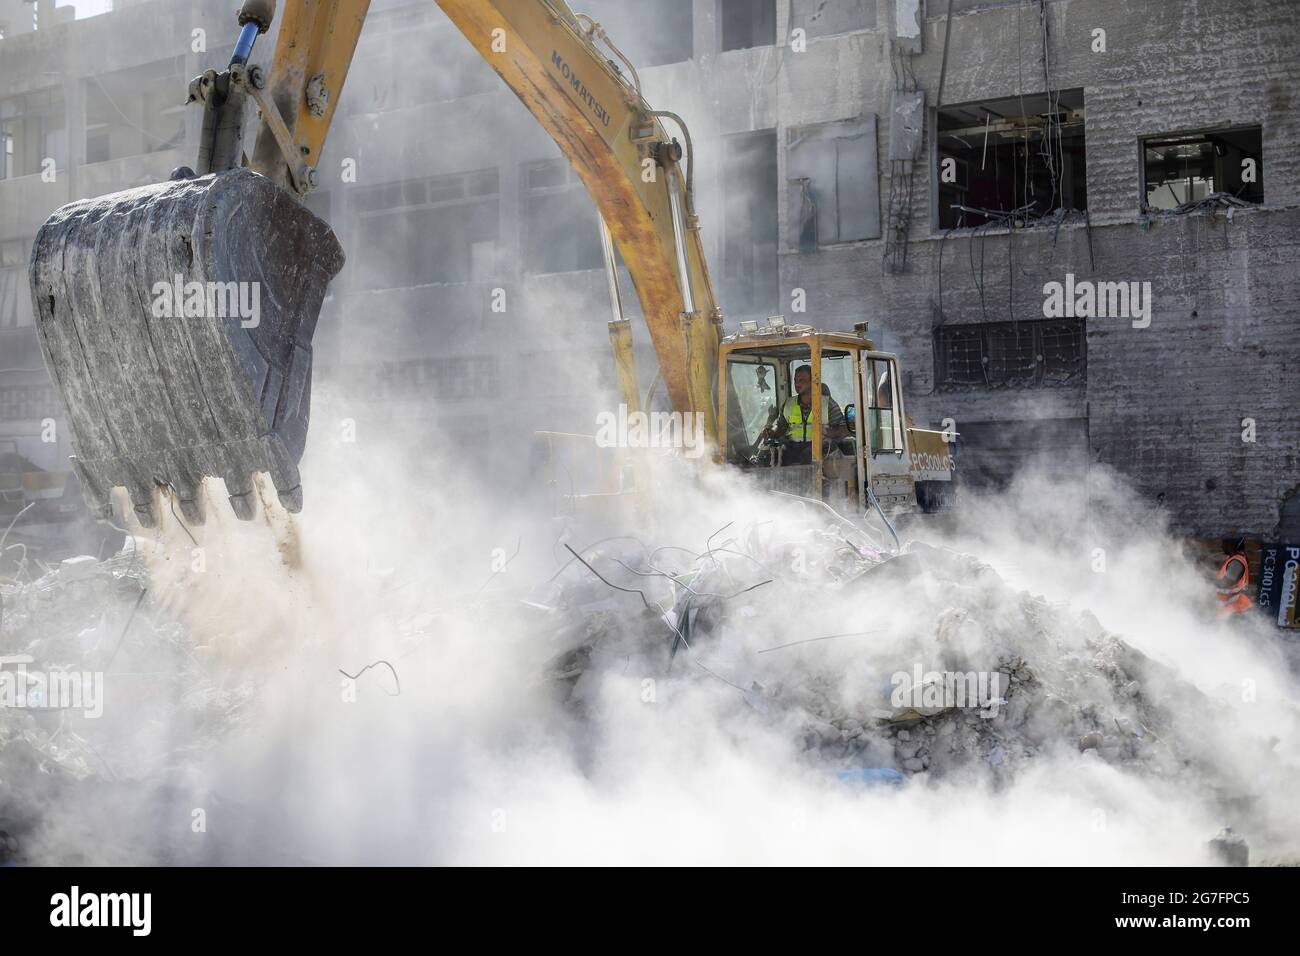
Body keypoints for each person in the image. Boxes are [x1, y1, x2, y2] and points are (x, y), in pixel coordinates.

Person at [761, 365, 848, 463]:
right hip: (792, 446)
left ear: (813, 382)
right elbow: (781, 427)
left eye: (802, 380)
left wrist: (828, 432)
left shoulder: (828, 405)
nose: (797, 384)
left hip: (819, 447)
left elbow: (844, 429)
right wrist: (771, 432)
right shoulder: (788, 404)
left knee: (807, 455)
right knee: (770, 457)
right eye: (795, 380)